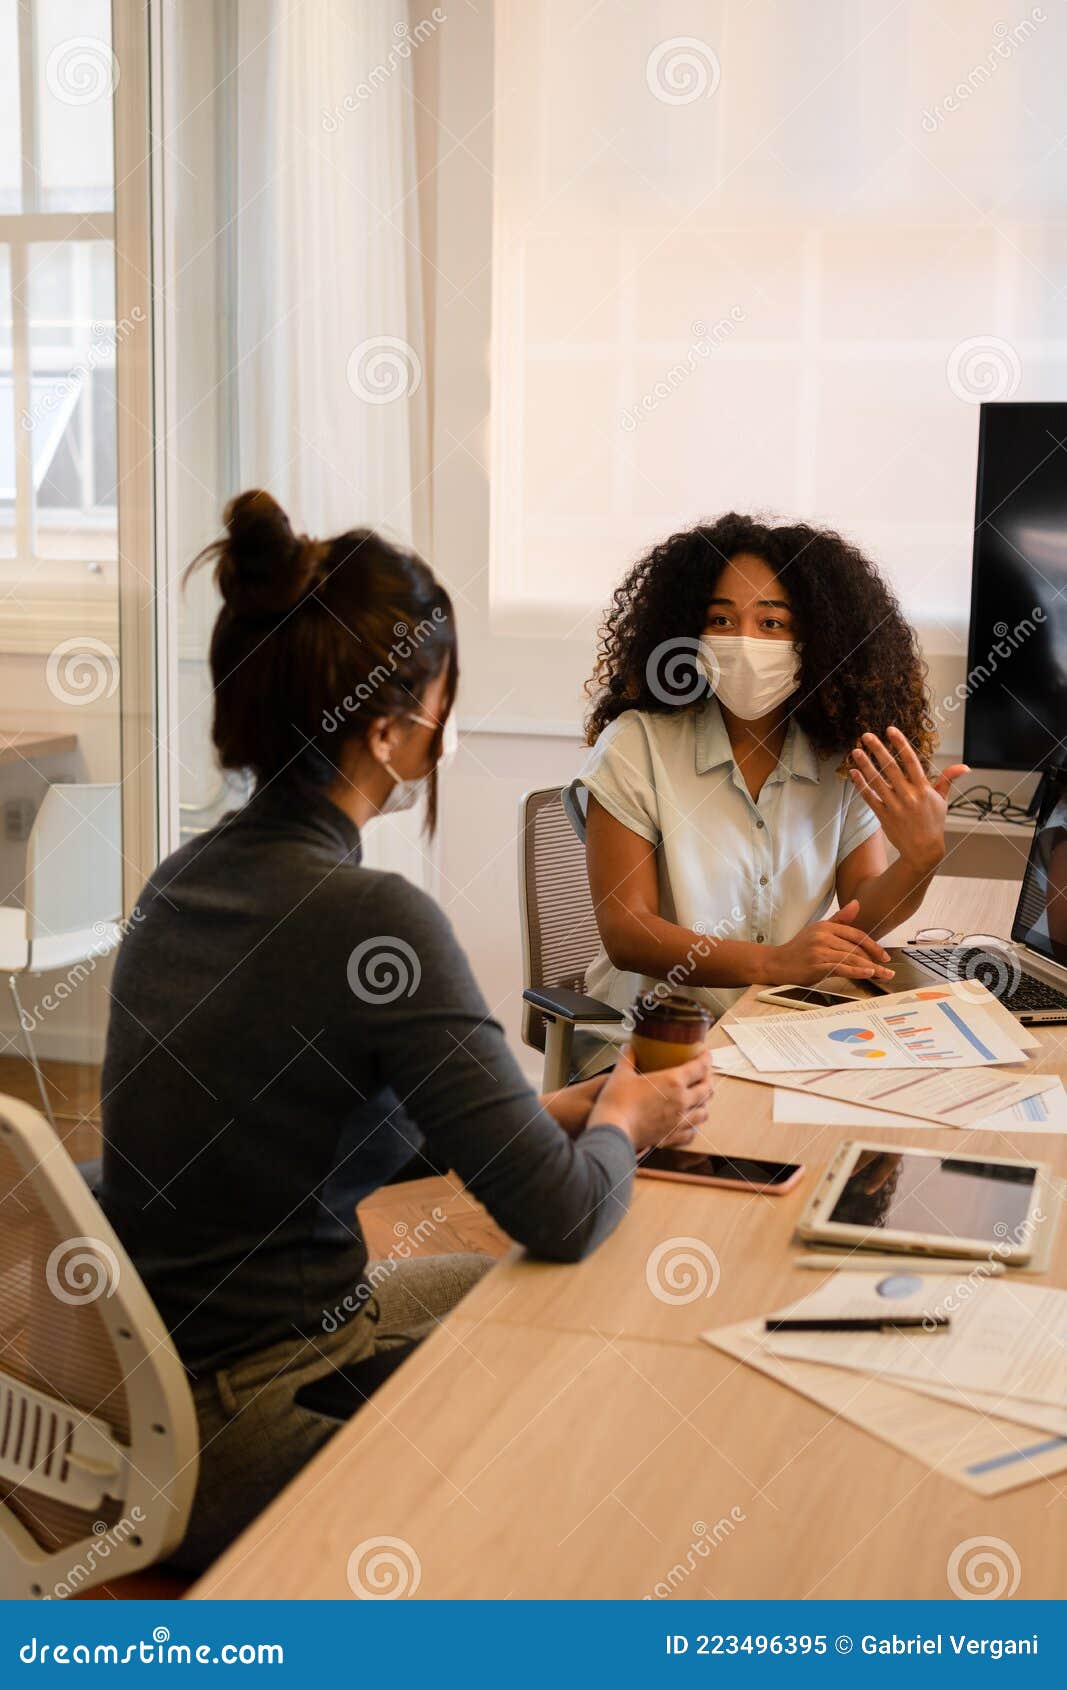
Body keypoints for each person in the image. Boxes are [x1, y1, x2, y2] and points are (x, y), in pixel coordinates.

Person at [98, 490, 713, 1571]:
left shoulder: (179, 881)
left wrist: (539, 1112)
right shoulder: (371, 918)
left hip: (149, 1379)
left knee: (516, 1293)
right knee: (586, 1331)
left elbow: (295, 1118)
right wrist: (622, 1113)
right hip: (252, 1406)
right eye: (438, 697)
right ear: (388, 730)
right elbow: (563, 1214)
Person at [580, 513, 968, 1020]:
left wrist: (920, 859)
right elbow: (626, 932)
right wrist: (773, 963)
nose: (744, 641)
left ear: (817, 639)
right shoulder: (636, 744)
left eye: (772, 623)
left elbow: (860, 918)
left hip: (770, 1022)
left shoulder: (842, 757)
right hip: (649, 1038)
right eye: (720, 620)